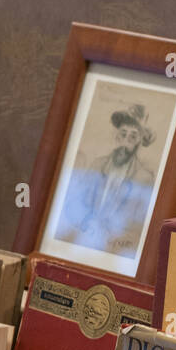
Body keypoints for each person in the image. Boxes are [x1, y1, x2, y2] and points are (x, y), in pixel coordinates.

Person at [64, 104, 155, 256]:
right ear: (116, 136)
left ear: (139, 142)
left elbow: (140, 226)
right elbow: (74, 202)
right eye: (123, 134)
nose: (126, 141)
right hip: (82, 240)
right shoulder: (97, 165)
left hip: (115, 250)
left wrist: (113, 238)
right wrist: (85, 223)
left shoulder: (144, 178)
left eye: (132, 136)